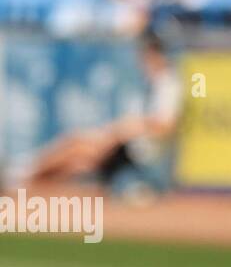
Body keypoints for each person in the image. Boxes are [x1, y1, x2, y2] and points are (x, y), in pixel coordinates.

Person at [26, 32, 181, 194]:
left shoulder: (168, 85)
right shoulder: (148, 84)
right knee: (76, 152)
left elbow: (165, 125)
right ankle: (27, 175)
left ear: (156, 55)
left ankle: (24, 174)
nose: (143, 61)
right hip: (124, 144)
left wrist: (127, 129)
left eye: (146, 56)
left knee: (79, 150)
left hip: (139, 151)